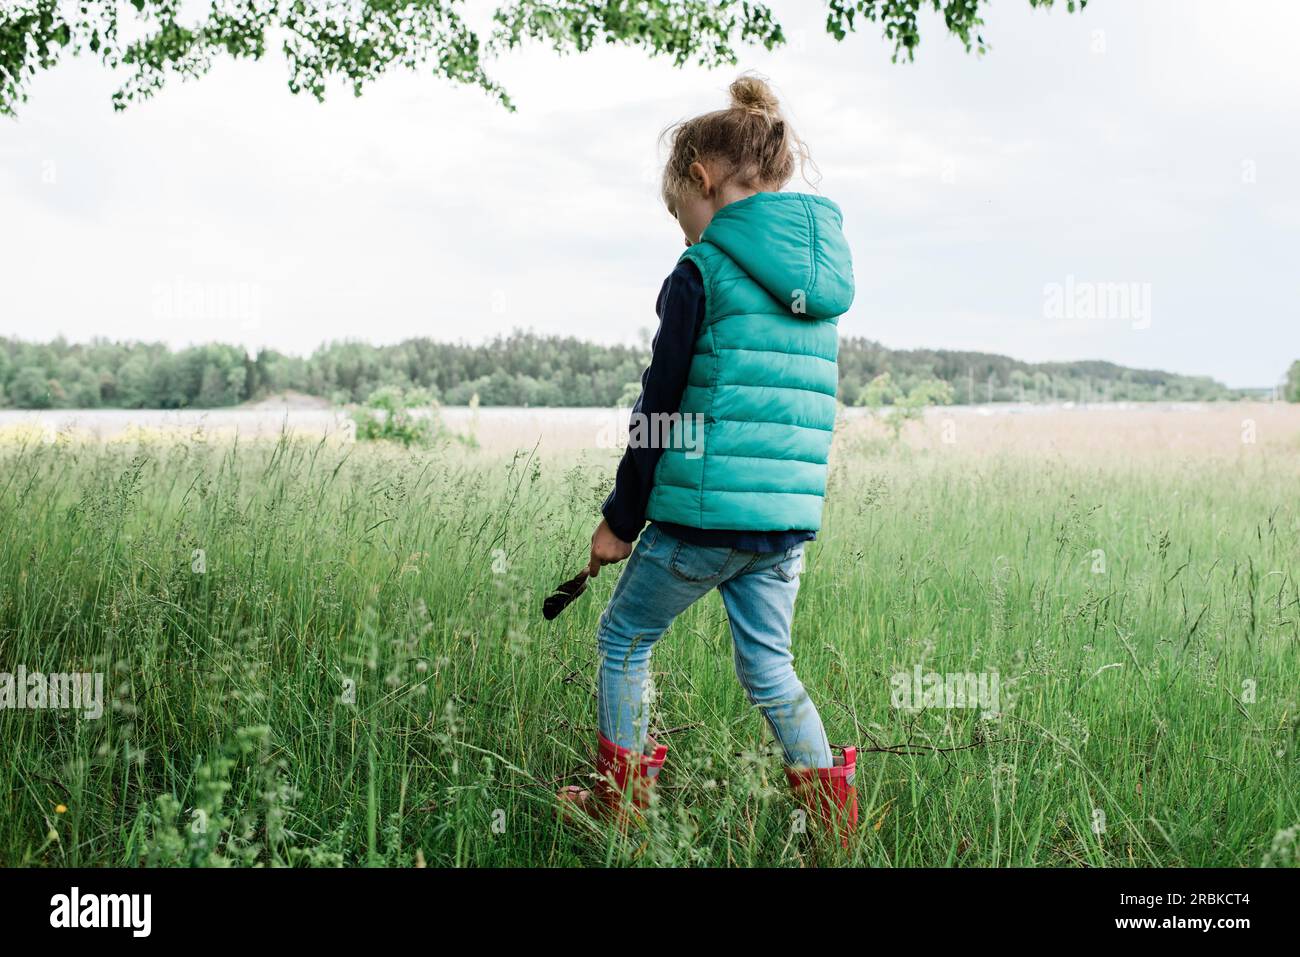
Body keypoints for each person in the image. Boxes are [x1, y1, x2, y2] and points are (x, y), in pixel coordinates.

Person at [558, 74, 857, 844]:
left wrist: (619, 521)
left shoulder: (702, 271)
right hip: (784, 523)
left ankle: (618, 806)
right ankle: (833, 822)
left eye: (679, 213)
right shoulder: (815, 290)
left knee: (623, 640)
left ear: (703, 180)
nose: (683, 232)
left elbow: (659, 406)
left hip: (703, 518)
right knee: (769, 667)